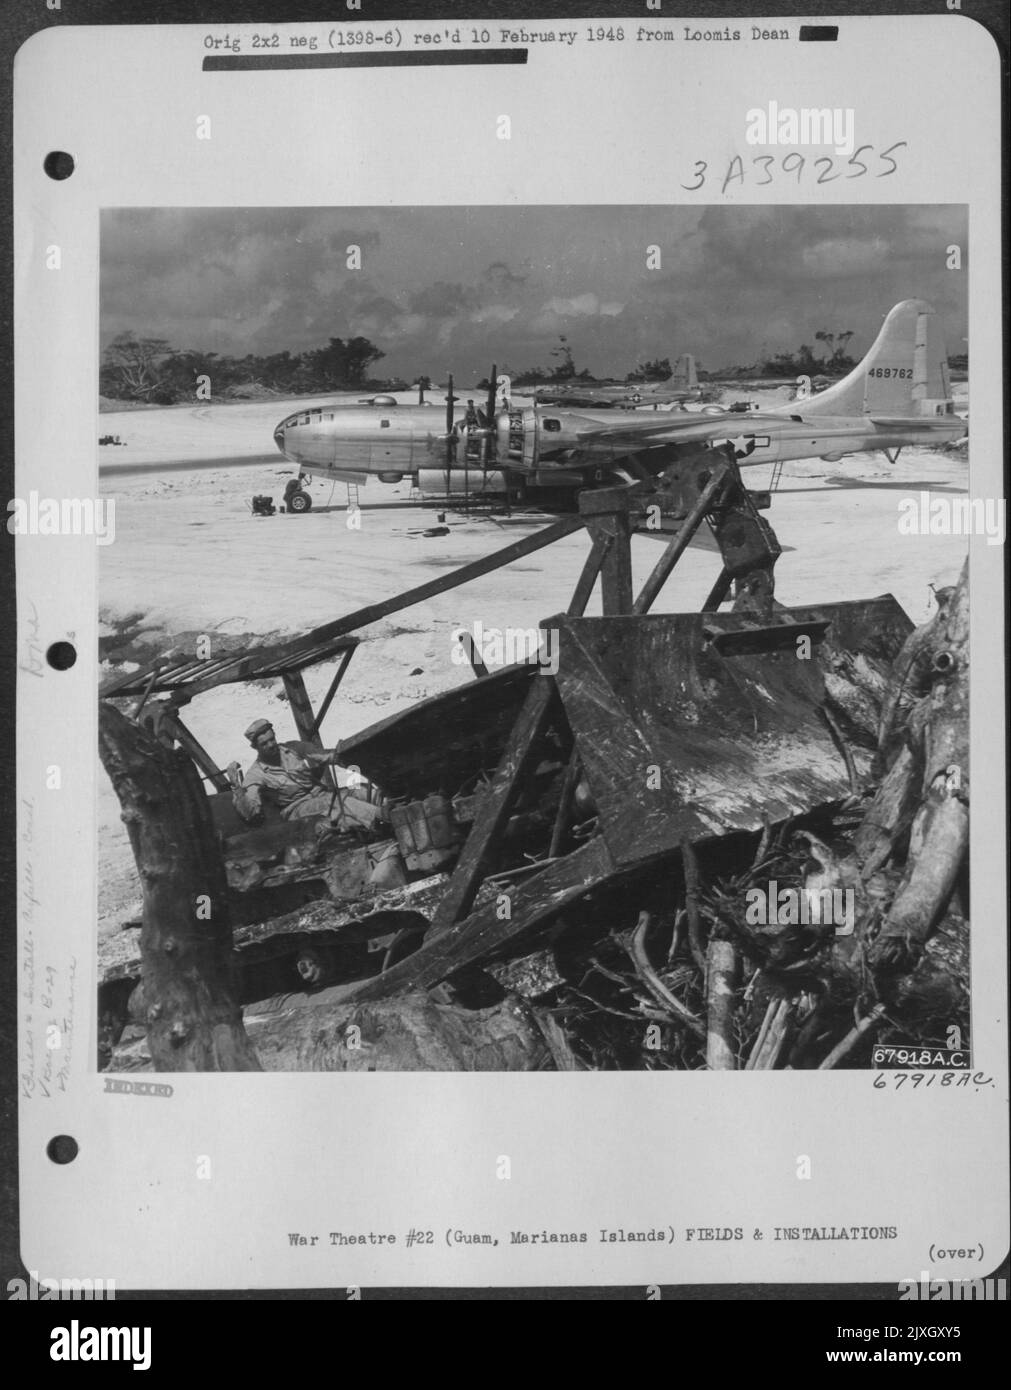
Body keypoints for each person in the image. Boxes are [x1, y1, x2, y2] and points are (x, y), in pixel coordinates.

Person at [227, 719, 383, 835]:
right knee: (333, 802)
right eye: (264, 744)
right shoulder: (256, 773)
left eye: (272, 739)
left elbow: (326, 756)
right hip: (296, 809)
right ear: (255, 747)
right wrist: (235, 786)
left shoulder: (293, 748)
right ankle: (382, 818)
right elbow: (251, 813)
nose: (271, 745)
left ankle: (390, 806)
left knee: (360, 789)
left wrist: (349, 755)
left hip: (322, 795)